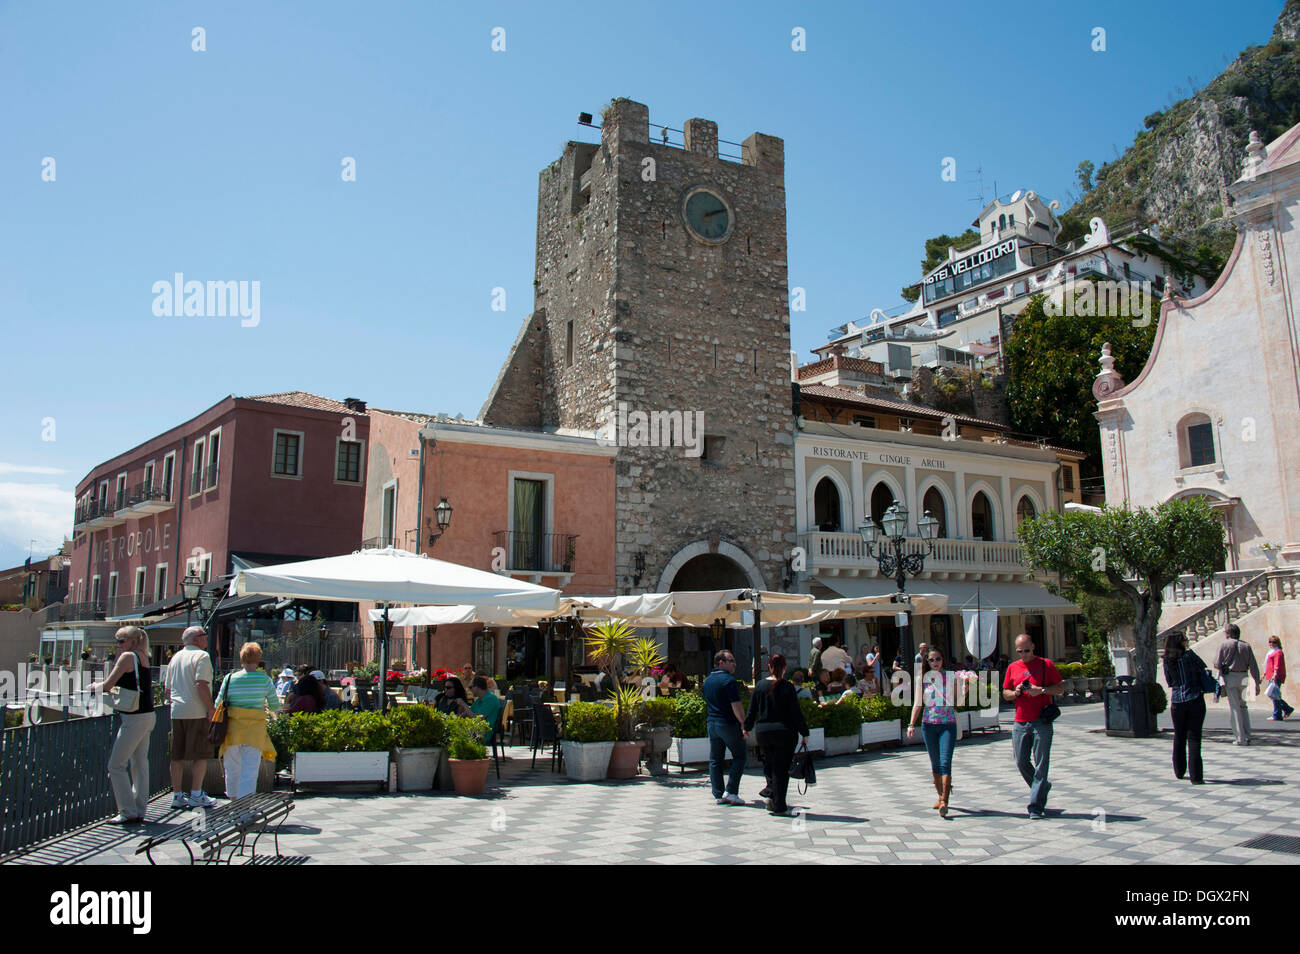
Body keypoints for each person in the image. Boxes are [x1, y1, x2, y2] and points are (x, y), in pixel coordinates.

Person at [90, 626, 154, 825]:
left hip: (133, 717)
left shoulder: (128, 657)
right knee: (140, 763)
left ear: (132, 641)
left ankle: (127, 810)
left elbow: (108, 685)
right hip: (148, 714)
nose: (118, 644)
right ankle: (139, 808)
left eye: (121, 640)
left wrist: (92, 687)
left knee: (116, 765)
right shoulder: (145, 656)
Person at [1002, 634, 1064, 819]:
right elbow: (1005, 693)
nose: (1023, 655)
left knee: (1041, 763)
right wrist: (1016, 692)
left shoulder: (1046, 665)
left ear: (1033, 647)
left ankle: (1035, 806)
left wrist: (1041, 690)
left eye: (1026, 650)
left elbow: (1060, 687)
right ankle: (1042, 787)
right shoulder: (1013, 667)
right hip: (1020, 721)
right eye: (1019, 651)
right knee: (1021, 761)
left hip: (1041, 721)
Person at [744, 653, 810, 816]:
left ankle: (771, 794)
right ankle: (779, 803)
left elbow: (751, 711)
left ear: (769, 667)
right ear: (785, 668)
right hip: (784, 732)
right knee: (782, 768)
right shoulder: (787, 687)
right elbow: (796, 713)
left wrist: (746, 728)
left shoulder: (759, 686)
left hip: (764, 732)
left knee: (769, 764)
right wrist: (805, 732)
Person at [216, 641, 281, 800]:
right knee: (249, 771)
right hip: (254, 731)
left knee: (231, 768)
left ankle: (232, 801)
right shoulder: (264, 680)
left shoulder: (229, 678)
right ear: (258, 659)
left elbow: (218, 703)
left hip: (232, 730)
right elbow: (274, 705)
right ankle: (244, 808)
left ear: (241, 658)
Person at [163, 626, 216, 810]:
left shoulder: (175, 657)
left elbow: (168, 689)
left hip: (177, 711)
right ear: (196, 639)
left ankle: (177, 795)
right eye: (204, 635)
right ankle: (196, 793)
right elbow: (201, 684)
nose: (206, 639)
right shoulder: (202, 656)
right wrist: (211, 708)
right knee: (200, 754)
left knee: (176, 755)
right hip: (197, 711)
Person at [907, 646, 958, 816]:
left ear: (943, 659)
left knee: (945, 762)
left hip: (947, 724)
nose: (935, 662)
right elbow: (918, 703)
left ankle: (944, 801)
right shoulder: (922, 679)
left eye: (938, 659)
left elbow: (957, 701)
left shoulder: (950, 677)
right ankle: (939, 796)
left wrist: (963, 688)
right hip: (929, 725)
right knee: (935, 763)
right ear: (927, 662)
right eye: (931, 660)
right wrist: (911, 724)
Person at [703, 649, 748, 805]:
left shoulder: (707, 681)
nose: (734, 663)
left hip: (712, 723)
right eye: (731, 660)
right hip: (727, 723)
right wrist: (743, 723)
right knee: (740, 755)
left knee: (715, 759)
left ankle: (718, 794)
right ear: (721, 663)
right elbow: (736, 705)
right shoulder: (729, 681)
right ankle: (731, 791)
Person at [1162, 631, 1208, 785]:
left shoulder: (1167, 660)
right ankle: (1196, 776)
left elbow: (1169, 681)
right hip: (1194, 697)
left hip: (1177, 701)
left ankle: (1179, 770)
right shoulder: (1189, 656)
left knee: (1179, 736)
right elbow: (1203, 669)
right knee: (1194, 738)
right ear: (1180, 642)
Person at [1216, 623, 1261, 745]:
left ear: (1228, 633)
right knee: (1243, 706)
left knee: (1235, 707)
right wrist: (1257, 682)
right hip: (1244, 676)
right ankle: (1247, 734)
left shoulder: (1224, 644)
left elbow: (1217, 663)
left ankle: (1240, 737)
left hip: (1230, 676)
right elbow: (1253, 666)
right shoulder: (1246, 645)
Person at [1264, 635, 1293, 721]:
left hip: (1275, 676)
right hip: (1271, 675)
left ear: (1278, 643)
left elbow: (1277, 664)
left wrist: (1275, 674)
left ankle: (1278, 714)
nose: (1272, 644)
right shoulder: (1271, 652)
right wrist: (1265, 673)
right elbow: (1269, 664)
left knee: (1273, 694)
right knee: (1274, 695)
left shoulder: (1278, 652)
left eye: (1274, 642)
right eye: (1270, 642)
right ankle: (1286, 709)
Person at [469, 676, 503, 741]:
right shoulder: (479, 700)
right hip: (475, 730)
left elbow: (478, 718)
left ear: (477, 687)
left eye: (471, 687)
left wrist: (463, 705)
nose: (470, 690)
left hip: (484, 732)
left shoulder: (490, 699)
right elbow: (469, 713)